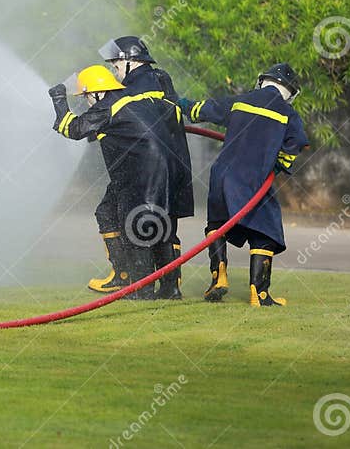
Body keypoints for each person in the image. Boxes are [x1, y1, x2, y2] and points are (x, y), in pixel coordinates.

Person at [179, 63, 309, 306]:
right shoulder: (288, 113)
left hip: (221, 174)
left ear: (262, 81)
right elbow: (296, 144)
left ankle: (218, 278)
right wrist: (278, 164)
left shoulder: (240, 100)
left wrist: (182, 104)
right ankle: (259, 293)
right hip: (254, 177)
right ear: (290, 92)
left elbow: (202, 110)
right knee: (266, 231)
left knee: (217, 225)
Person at [49, 65, 177, 299]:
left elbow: (73, 128)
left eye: (86, 96)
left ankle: (142, 290)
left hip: (139, 172)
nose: (87, 101)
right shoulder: (125, 99)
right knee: (108, 213)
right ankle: (131, 278)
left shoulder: (107, 106)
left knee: (137, 225)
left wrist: (59, 99)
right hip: (145, 168)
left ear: (97, 92)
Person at [99, 36, 194, 299]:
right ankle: (170, 287)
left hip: (144, 169)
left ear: (131, 61)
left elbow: (120, 119)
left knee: (125, 217)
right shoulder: (159, 79)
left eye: (116, 64)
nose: (113, 70)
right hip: (173, 164)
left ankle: (132, 281)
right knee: (165, 224)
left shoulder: (135, 89)